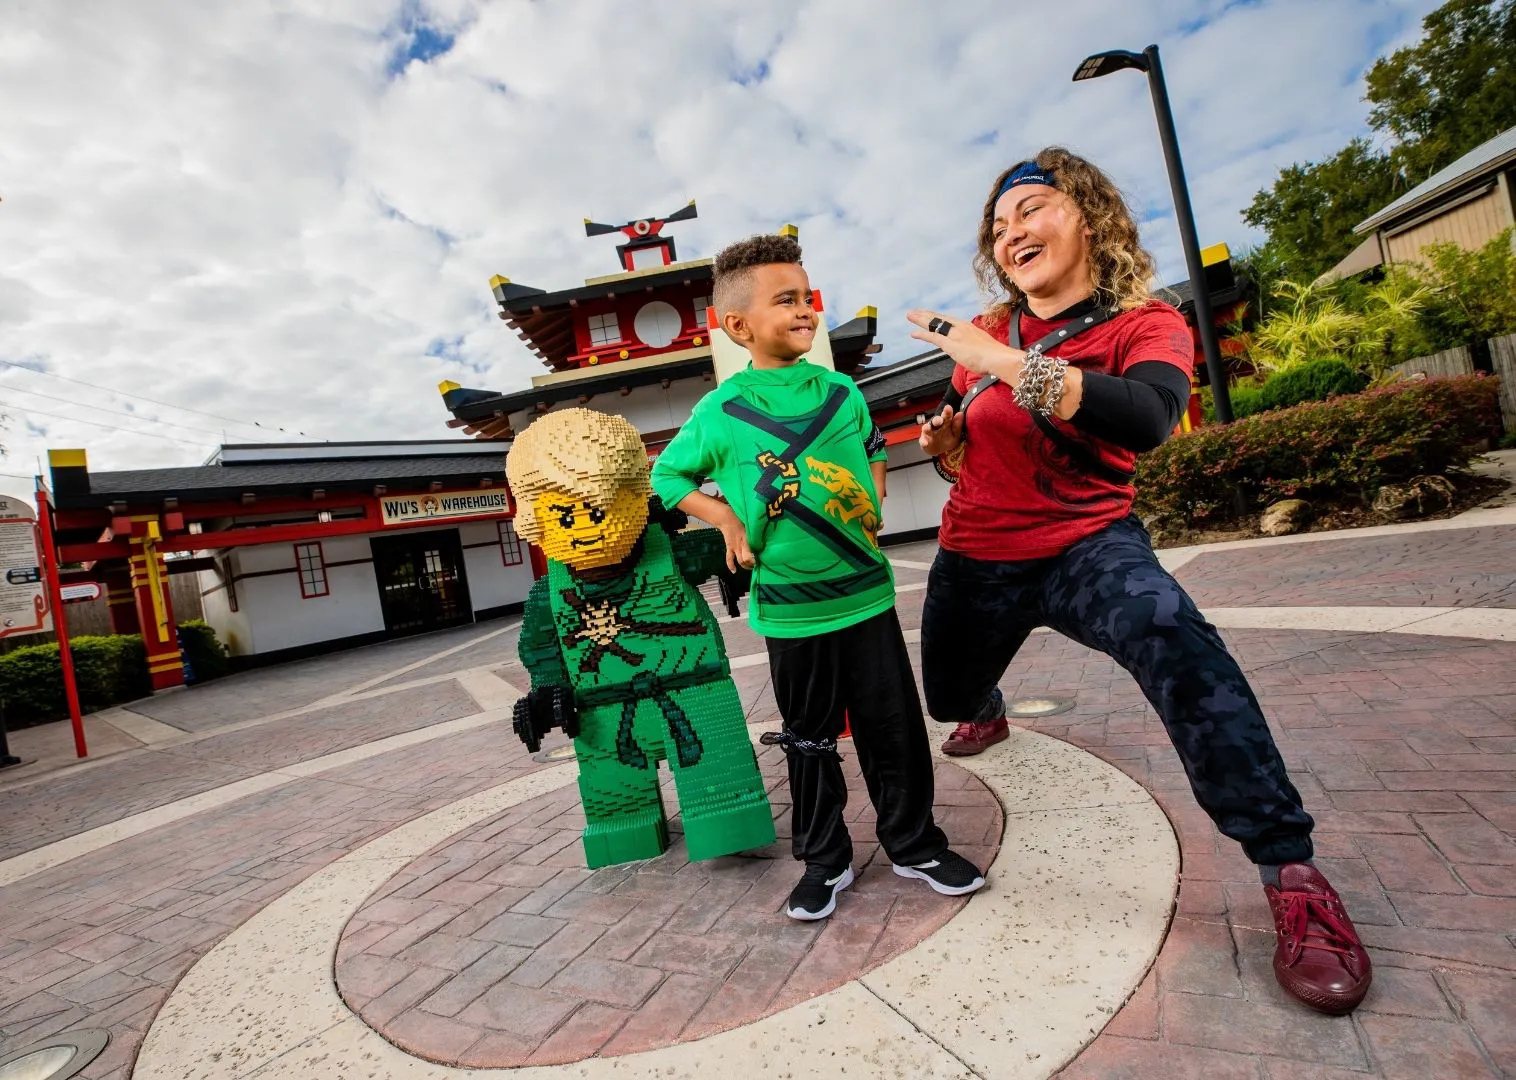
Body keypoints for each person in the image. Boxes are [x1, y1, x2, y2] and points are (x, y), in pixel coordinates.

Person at [907, 148, 1372, 1015]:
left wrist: (999, 363)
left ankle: (1291, 869)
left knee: (1169, 629)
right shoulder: (984, 341)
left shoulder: (1141, 323)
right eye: (999, 226)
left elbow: (1151, 419)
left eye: (1033, 211)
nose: (1013, 233)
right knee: (946, 696)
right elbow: (981, 445)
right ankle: (988, 702)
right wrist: (948, 445)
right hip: (979, 553)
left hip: (1090, 545)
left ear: (1089, 217)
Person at [652, 233, 986, 921]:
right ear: (737, 325)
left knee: (892, 727)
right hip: (791, 612)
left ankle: (914, 842)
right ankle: (824, 859)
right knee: (808, 739)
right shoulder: (721, 413)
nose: (805, 310)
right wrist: (728, 522)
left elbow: (868, 447)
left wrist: (873, 494)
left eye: (807, 297)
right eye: (786, 300)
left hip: (866, 598)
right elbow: (666, 476)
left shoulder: (842, 392)